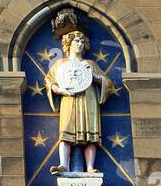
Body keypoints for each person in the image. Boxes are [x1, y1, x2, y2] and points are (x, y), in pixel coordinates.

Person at [45, 28, 113, 174]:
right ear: (68, 44)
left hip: (89, 100)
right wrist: (58, 90)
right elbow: (49, 80)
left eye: (82, 41)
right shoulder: (60, 64)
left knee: (91, 135)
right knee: (66, 132)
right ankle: (63, 164)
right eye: (76, 40)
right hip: (69, 99)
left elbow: (108, 83)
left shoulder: (90, 63)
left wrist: (95, 76)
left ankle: (90, 167)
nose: (80, 44)